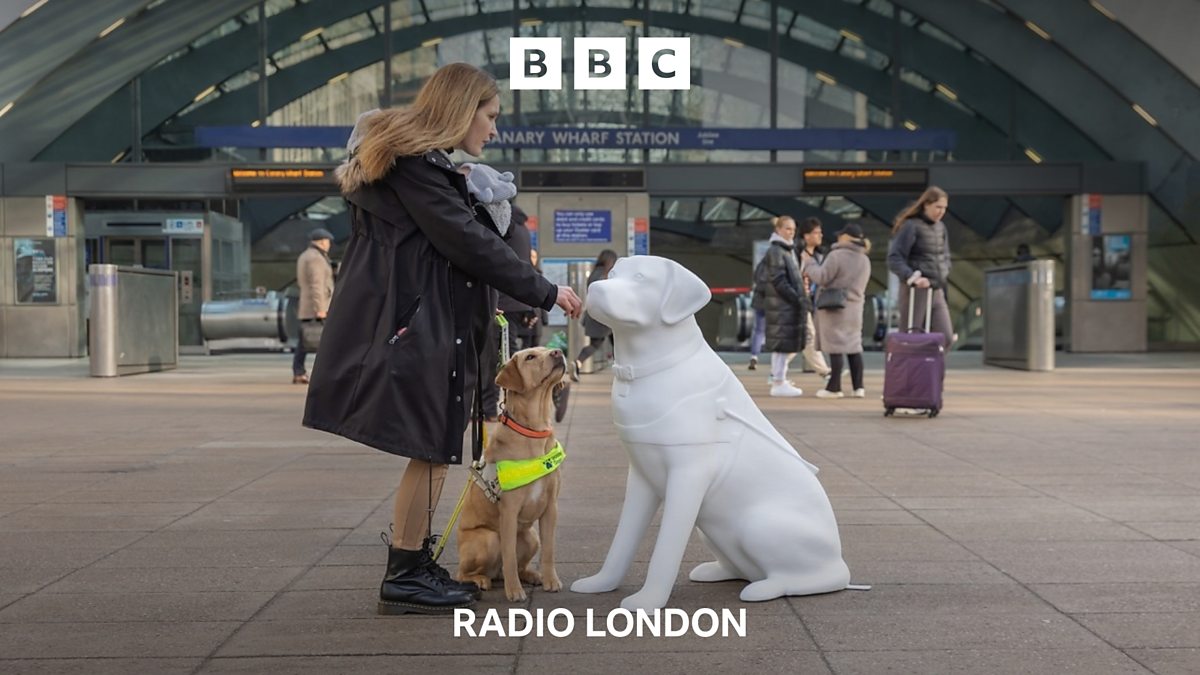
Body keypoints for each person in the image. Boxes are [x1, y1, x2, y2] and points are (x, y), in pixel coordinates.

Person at [301, 63, 583, 615]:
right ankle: (405, 573)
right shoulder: (417, 167)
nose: (494, 129)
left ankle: (412, 564)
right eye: (490, 115)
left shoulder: (419, 166)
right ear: (460, 109)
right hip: (417, 330)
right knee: (429, 449)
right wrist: (545, 291)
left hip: (424, 328)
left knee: (431, 449)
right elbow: (467, 242)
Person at [802, 223, 872, 399]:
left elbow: (822, 277)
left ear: (846, 237)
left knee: (835, 346)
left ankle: (834, 388)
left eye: (841, 235)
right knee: (854, 346)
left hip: (835, 307)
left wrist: (809, 264)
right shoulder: (864, 259)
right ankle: (858, 387)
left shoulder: (837, 255)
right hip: (855, 308)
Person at [887, 186, 954, 345]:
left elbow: (945, 256)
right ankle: (907, 362)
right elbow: (894, 258)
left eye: (944, 208)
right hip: (915, 291)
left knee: (946, 337)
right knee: (912, 337)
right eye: (938, 207)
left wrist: (944, 272)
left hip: (936, 289)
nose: (941, 212)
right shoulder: (911, 226)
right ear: (926, 205)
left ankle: (931, 362)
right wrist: (913, 277)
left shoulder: (941, 227)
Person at [761, 216, 808, 397]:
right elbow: (779, 279)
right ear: (778, 229)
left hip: (783, 305)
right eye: (788, 228)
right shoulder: (777, 251)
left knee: (784, 344)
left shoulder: (786, 250)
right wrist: (796, 297)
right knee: (781, 345)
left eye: (793, 229)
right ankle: (778, 382)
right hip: (782, 305)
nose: (791, 232)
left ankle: (780, 379)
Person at [292, 227, 335, 384]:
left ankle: (299, 371)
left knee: (305, 341)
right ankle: (304, 371)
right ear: (322, 242)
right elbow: (316, 285)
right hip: (315, 307)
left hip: (309, 307)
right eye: (328, 242)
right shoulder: (315, 258)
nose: (329, 245)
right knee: (317, 341)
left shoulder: (307, 255)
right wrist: (320, 309)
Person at [571, 249, 619, 381]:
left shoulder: (594, 273)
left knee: (604, 343)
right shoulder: (605, 275)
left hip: (594, 315)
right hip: (605, 317)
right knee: (613, 343)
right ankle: (619, 369)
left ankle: (577, 363)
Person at [797, 217, 832, 379]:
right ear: (806, 236)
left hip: (813, 301)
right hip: (800, 301)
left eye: (820, 232)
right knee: (809, 336)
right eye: (816, 232)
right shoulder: (798, 255)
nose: (820, 235)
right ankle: (824, 371)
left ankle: (777, 372)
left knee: (802, 338)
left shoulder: (819, 256)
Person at [747, 253, 768, 370]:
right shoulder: (777, 266)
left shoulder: (761, 265)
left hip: (759, 302)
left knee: (759, 330)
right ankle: (780, 359)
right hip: (772, 302)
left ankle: (754, 355)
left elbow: (756, 278)